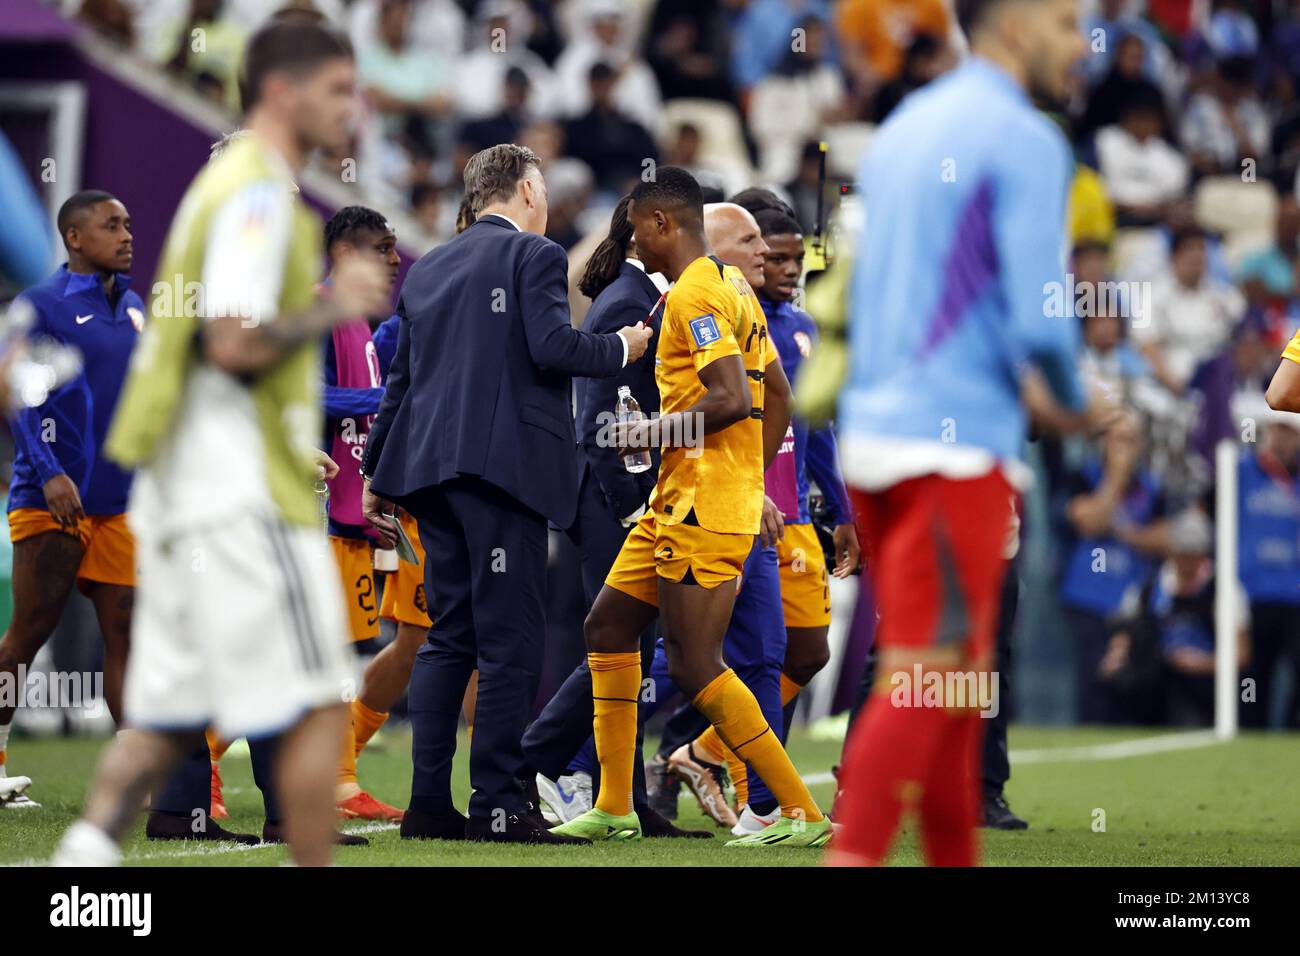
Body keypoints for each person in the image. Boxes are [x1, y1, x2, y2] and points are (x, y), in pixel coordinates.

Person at [53, 16, 392, 867]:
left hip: (184, 484)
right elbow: (238, 339)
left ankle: (80, 869)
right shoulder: (257, 195)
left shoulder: (223, 189)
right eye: (338, 90)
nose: (352, 110)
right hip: (238, 495)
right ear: (283, 91)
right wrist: (334, 303)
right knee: (318, 704)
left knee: (165, 715)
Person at [831, 0, 1099, 866]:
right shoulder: (1026, 138)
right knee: (932, 675)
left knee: (958, 679)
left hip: (875, 434)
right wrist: (1076, 399)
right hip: (952, 444)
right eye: (1064, 19)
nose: (1081, 40)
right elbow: (1044, 321)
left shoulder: (904, 127)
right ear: (1012, 27)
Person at [360, 144, 652, 844]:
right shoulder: (536, 255)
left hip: (429, 474)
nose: (545, 201)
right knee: (510, 642)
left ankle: (429, 804)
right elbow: (554, 347)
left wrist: (375, 475)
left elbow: (402, 381)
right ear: (525, 190)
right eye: (543, 189)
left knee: (446, 638)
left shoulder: (430, 264)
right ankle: (499, 803)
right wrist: (624, 347)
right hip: (504, 471)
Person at [551, 167, 831, 847]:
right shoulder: (733, 285)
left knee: (694, 663)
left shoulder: (697, 295)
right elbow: (780, 397)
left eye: (636, 231)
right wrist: (749, 475)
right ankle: (616, 804)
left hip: (701, 506)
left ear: (660, 223)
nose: (632, 246)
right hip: (686, 499)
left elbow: (732, 397)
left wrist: (652, 431)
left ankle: (796, 811)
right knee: (608, 629)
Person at [0, 191, 142, 810]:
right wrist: (50, 469)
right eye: (112, 225)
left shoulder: (135, 308)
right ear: (74, 238)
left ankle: (137, 775)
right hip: (50, 498)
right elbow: (15, 390)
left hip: (119, 505)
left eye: (129, 224)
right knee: (28, 633)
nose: (127, 234)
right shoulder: (42, 304)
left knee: (127, 633)